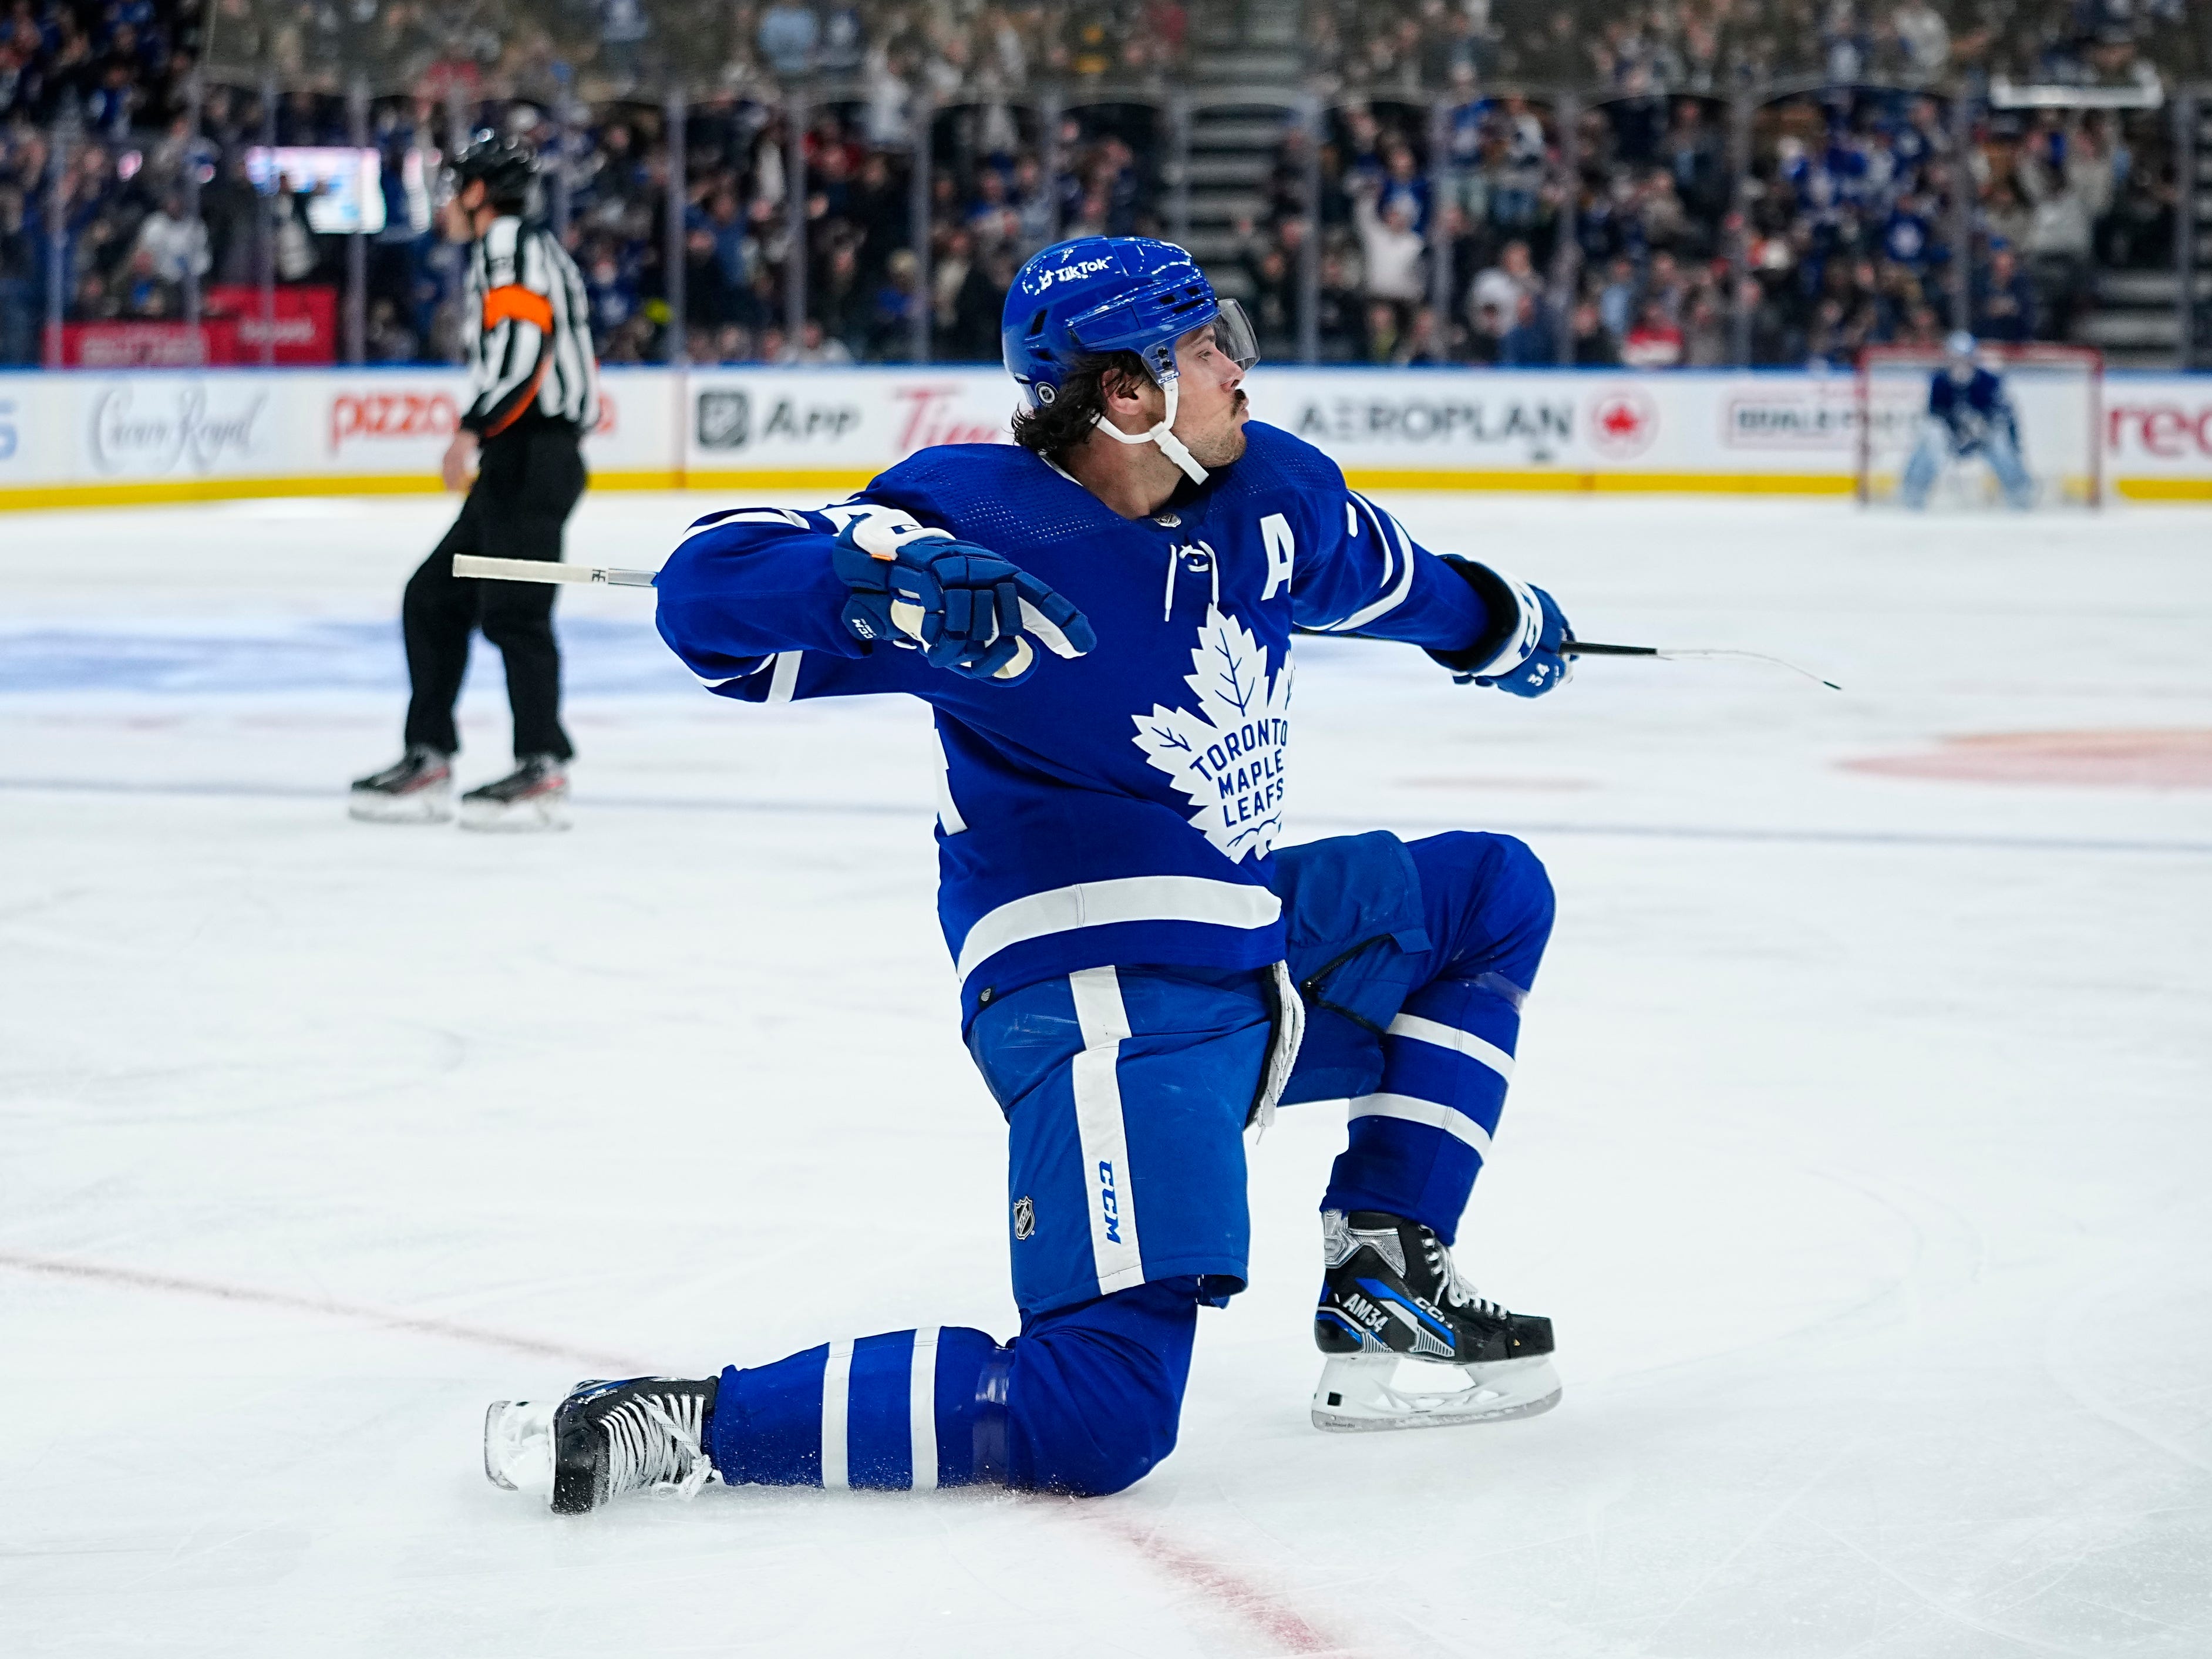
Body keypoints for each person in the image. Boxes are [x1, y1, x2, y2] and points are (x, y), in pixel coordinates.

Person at [482, 237, 1578, 1513]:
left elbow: (1388, 579)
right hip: (1105, 992)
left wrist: (1494, 626)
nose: (1234, 365)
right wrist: (865, 583)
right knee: (1096, 1412)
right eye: (1202, 345)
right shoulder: (975, 524)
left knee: (1488, 893)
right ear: (1127, 394)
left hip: (1251, 931)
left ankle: (1386, 1272)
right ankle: (683, 1420)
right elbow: (709, 589)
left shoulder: (1268, 487)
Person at [348, 133, 599, 830]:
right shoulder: (523, 245)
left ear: (480, 194)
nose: (447, 200)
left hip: (530, 452)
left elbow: (524, 354)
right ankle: (428, 754)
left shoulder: (510, 245)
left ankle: (542, 766)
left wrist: (472, 427)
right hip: (521, 455)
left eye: (455, 186)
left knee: (515, 613)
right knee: (433, 599)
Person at [1900, 332, 2033, 510]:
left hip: (1984, 437)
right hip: (1951, 436)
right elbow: (1934, 415)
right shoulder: (1939, 382)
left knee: (2001, 443)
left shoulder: (1990, 382)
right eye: (1955, 359)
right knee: (1930, 435)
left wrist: (1985, 427)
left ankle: (2020, 493)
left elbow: (2005, 417)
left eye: (1965, 359)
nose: (1960, 365)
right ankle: (1913, 492)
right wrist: (1955, 427)